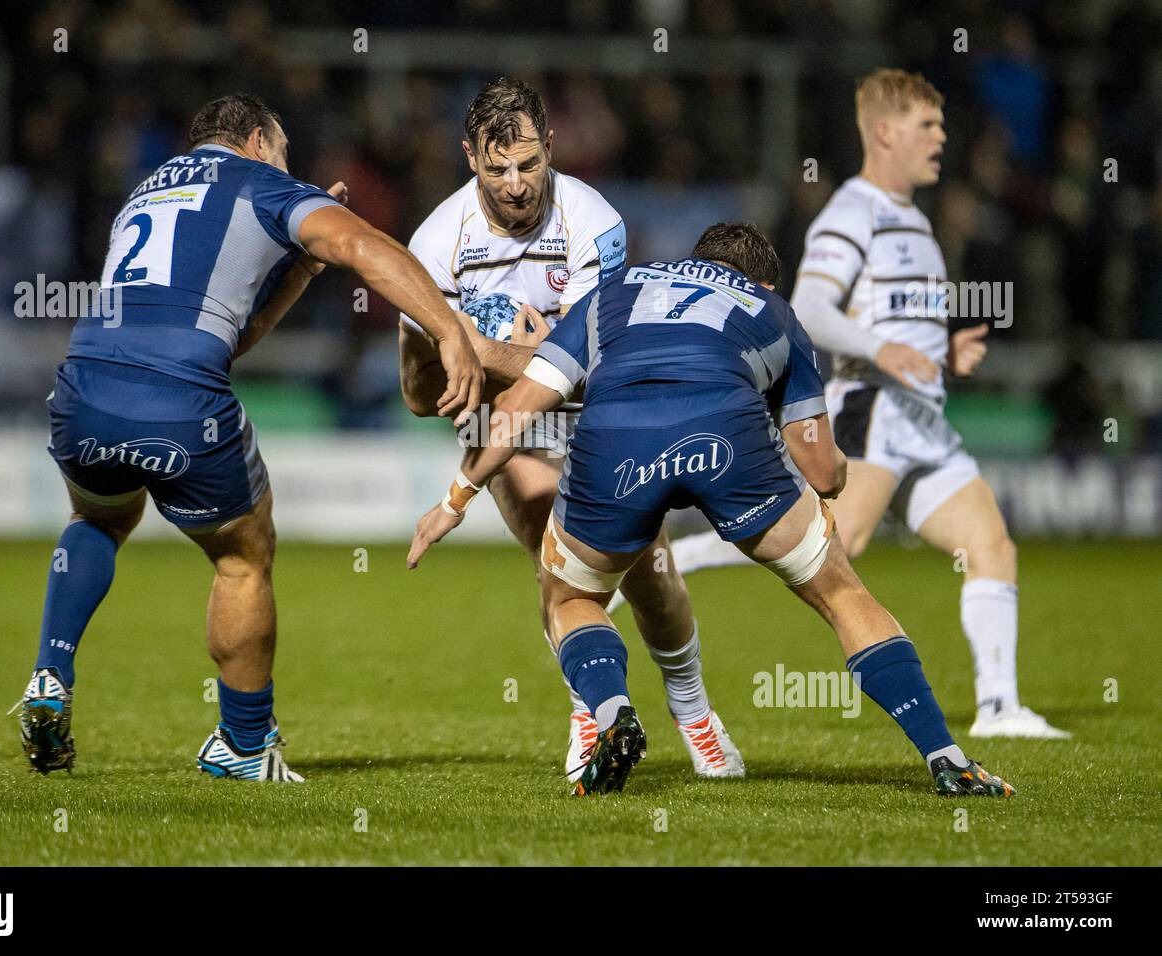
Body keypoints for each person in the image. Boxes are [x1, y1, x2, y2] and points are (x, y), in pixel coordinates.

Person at [407, 223, 1016, 799]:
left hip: (616, 443)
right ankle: (946, 758)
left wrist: (453, 502)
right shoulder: (775, 312)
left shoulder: (610, 293)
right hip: (727, 439)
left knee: (570, 601)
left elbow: (517, 408)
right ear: (766, 282)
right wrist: (839, 476)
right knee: (841, 593)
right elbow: (823, 471)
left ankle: (614, 712)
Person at [14, 93, 483, 781]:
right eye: (285, 153)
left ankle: (50, 676)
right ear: (259, 140)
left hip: (83, 387)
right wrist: (448, 330)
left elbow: (236, 332)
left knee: (98, 517)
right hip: (177, 399)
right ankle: (243, 743)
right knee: (243, 556)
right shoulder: (263, 183)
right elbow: (361, 243)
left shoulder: (144, 193)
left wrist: (299, 264)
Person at [632, 70, 1069, 740]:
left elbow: (893, 318)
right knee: (835, 543)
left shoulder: (916, 223)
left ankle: (1000, 708)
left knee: (990, 542)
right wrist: (884, 352)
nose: (941, 138)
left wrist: (943, 352)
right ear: (886, 133)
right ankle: (691, 554)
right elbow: (808, 307)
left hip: (922, 414)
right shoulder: (853, 213)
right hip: (874, 406)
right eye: (928, 125)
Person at [398, 77, 743, 782]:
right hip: (502, 422)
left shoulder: (594, 222)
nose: (517, 183)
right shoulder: (433, 247)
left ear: (551, 146)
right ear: (469, 158)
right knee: (558, 564)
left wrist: (487, 347)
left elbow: (599, 365)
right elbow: (418, 395)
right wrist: (450, 346)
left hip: (599, 414)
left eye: (529, 163)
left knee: (649, 575)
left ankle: (693, 708)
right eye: (497, 169)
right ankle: (596, 708)